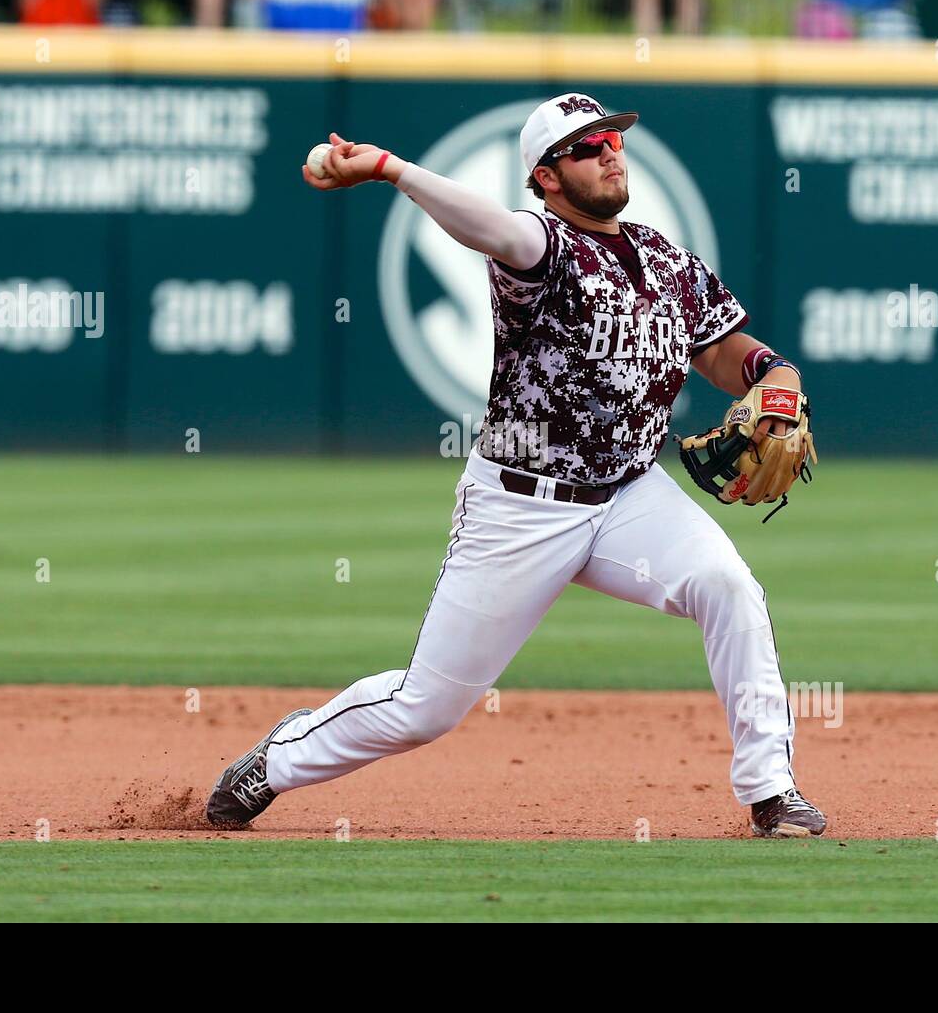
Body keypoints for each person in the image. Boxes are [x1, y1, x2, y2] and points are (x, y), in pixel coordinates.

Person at [206, 92, 827, 839]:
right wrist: (390, 169)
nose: (609, 151)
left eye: (612, 140)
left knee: (729, 586)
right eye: (587, 145)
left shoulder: (665, 258)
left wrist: (775, 372)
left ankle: (771, 794)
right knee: (425, 709)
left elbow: (722, 351)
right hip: (522, 506)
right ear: (548, 175)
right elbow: (491, 228)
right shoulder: (540, 245)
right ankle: (274, 762)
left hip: (630, 494)